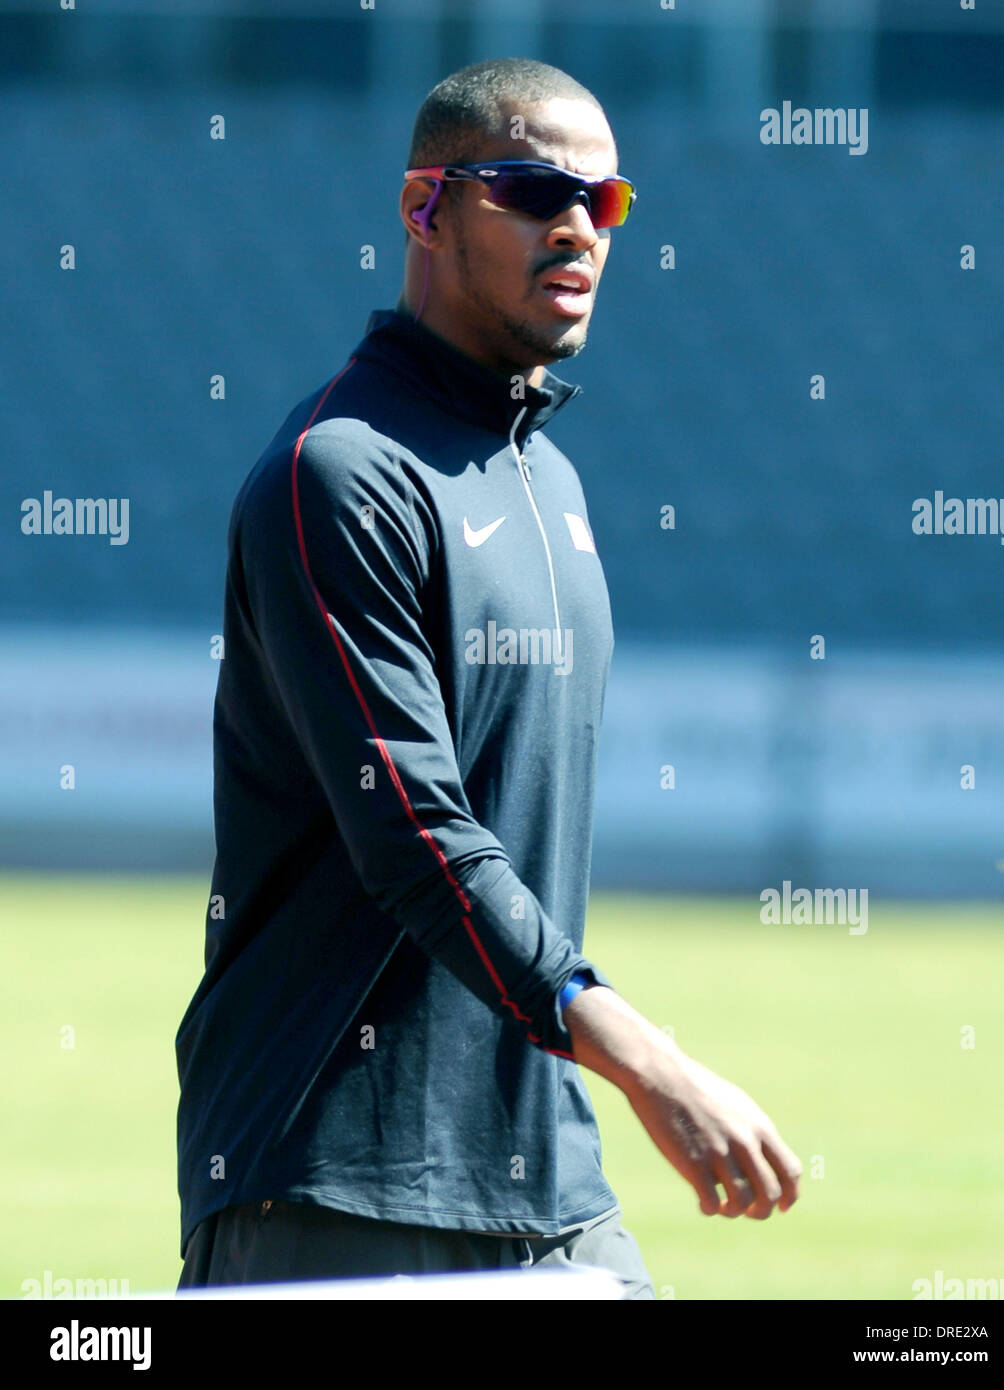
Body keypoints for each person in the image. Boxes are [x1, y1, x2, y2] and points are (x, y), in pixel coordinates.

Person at [175, 57, 801, 1300]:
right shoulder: (340, 472)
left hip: (551, 1184)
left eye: (605, 201)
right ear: (424, 210)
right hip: (338, 1183)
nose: (576, 224)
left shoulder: (549, 482)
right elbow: (420, 837)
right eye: (530, 188)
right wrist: (652, 1063)